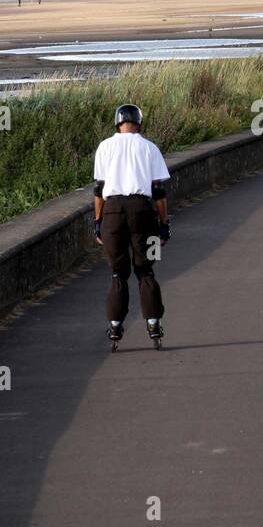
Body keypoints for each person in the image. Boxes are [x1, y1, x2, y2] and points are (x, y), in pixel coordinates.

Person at [93, 104, 171, 349]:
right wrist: (164, 225)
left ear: (117, 121)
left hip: (113, 212)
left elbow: (98, 191)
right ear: (139, 121)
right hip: (143, 212)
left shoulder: (104, 147)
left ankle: (115, 326)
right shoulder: (149, 147)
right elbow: (159, 192)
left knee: (118, 272)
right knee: (146, 270)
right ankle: (154, 323)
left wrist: (98, 223)